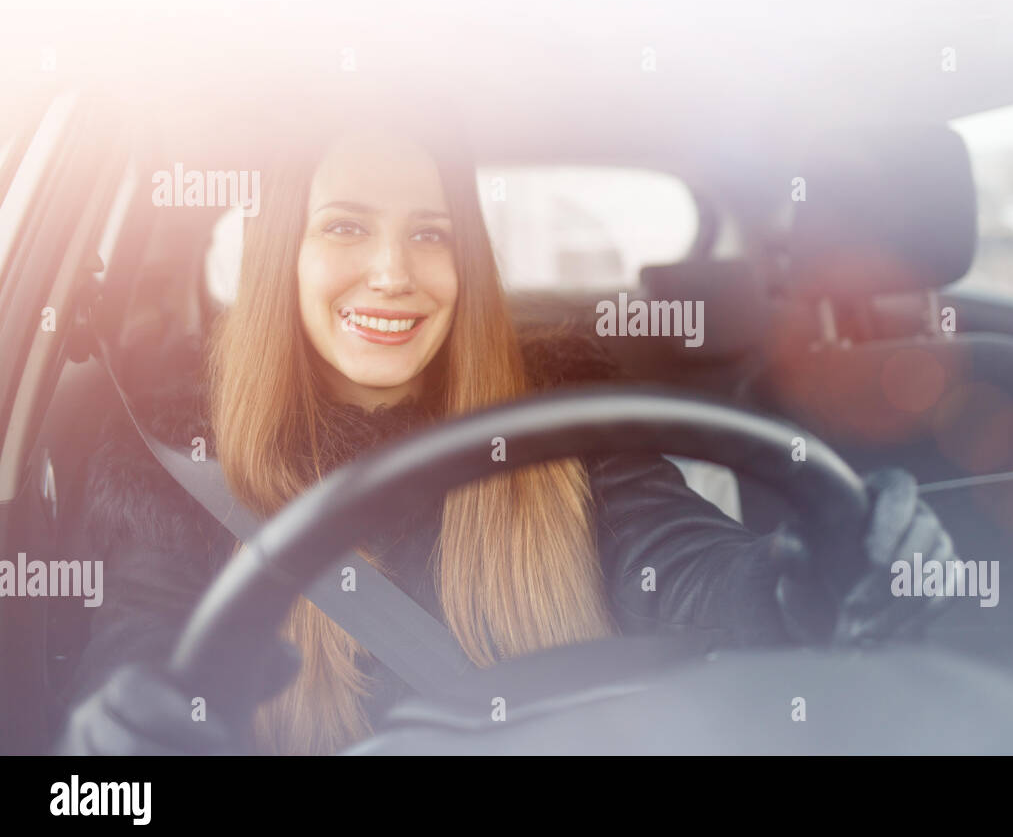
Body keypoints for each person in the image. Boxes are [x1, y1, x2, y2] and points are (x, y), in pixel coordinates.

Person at [53, 128, 954, 755]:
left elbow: (679, 559)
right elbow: (144, 639)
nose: (394, 273)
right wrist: (125, 734)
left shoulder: (564, 416)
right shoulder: (179, 463)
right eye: (343, 226)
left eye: (431, 234)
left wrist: (809, 578)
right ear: (277, 252)